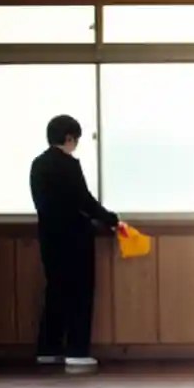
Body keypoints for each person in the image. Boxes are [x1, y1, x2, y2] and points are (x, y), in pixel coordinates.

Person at [30, 114, 122, 372]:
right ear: (69, 137)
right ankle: (77, 351)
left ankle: (48, 349)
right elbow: (84, 201)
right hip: (75, 237)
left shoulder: (38, 164)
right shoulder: (68, 165)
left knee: (56, 290)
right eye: (76, 139)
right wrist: (111, 219)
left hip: (49, 237)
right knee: (80, 293)